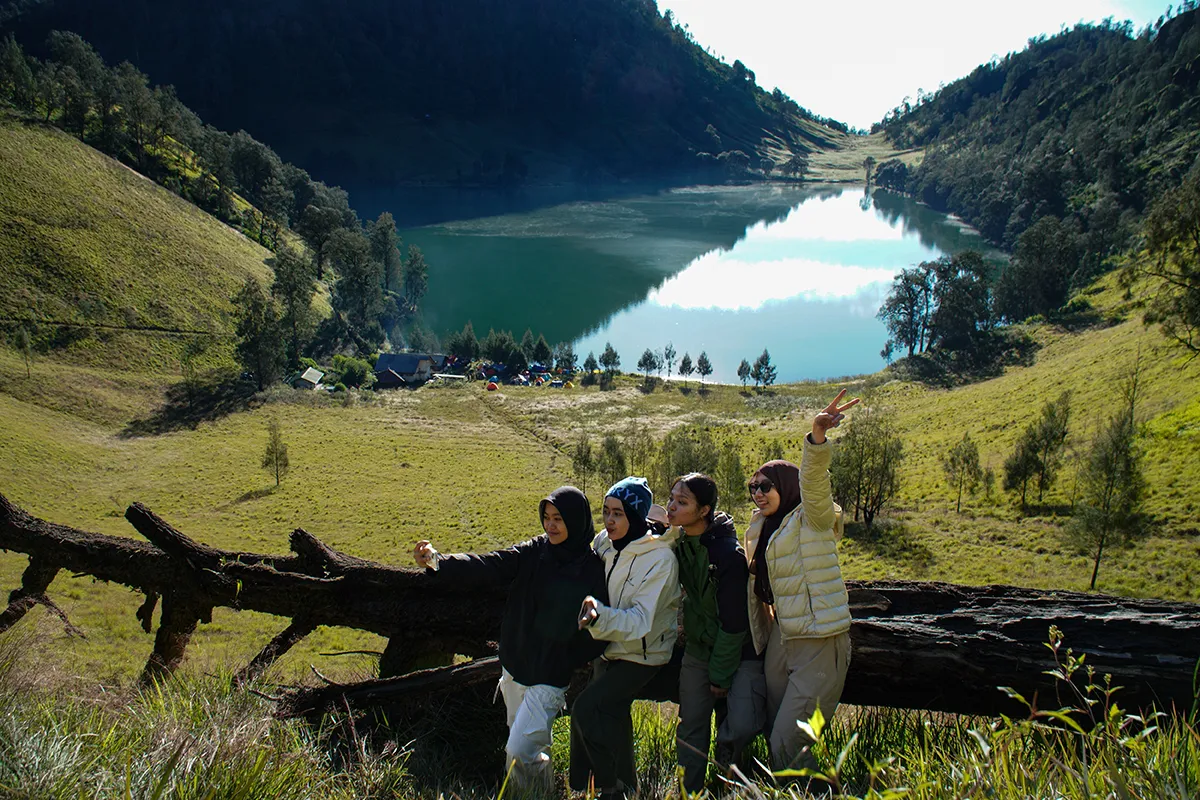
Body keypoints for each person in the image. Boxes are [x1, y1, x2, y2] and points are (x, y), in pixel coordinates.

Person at [412, 486, 607, 795]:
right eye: (546, 517)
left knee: (518, 750)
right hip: (515, 665)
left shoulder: (593, 569)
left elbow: (601, 625)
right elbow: (490, 565)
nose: (550, 525)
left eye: (559, 518)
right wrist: (439, 561)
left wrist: (570, 656)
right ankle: (539, 793)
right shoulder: (535, 551)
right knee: (528, 745)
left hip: (550, 677)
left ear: (576, 519)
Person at [745, 390, 859, 772]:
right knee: (773, 725)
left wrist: (816, 439)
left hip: (821, 637)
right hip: (785, 635)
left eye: (766, 486)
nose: (758, 494)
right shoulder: (762, 528)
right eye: (753, 488)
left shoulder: (812, 518)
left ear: (786, 485)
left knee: (787, 744)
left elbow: (813, 482)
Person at [570, 477, 681, 799]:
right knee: (614, 715)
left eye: (618, 513)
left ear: (636, 515)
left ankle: (609, 787)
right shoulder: (606, 543)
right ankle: (618, 786)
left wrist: (598, 616)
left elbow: (641, 621)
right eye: (605, 511)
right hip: (609, 647)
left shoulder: (659, 560)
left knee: (586, 708)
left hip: (643, 653)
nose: (609, 520)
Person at [666, 472, 765, 793]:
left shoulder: (726, 556)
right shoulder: (681, 542)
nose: (671, 507)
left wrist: (720, 676)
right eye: (671, 499)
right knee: (691, 726)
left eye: (682, 502)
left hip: (738, 652)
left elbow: (734, 624)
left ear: (704, 510)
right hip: (697, 649)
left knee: (739, 727)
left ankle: (727, 786)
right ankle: (689, 792)